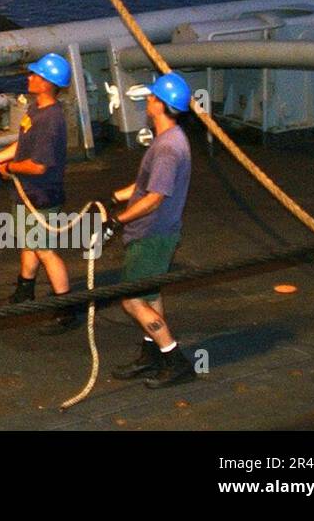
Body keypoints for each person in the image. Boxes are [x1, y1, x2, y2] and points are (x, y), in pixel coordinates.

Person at [0, 52, 80, 334]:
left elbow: (39, 165)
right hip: (28, 195)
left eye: (35, 75)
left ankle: (66, 309)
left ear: (47, 83)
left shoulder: (50, 120)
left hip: (42, 197)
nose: (29, 77)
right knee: (29, 243)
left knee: (45, 250)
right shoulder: (36, 110)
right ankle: (25, 291)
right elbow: (22, 147)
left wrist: (9, 167)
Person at [102, 71, 195, 388]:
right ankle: (150, 354)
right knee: (150, 297)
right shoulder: (170, 139)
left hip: (151, 235)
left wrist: (119, 220)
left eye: (152, 96)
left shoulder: (168, 149)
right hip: (159, 233)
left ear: (161, 103)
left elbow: (155, 198)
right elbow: (146, 186)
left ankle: (175, 359)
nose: (147, 100)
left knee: (130, 300)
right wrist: (116, 196)